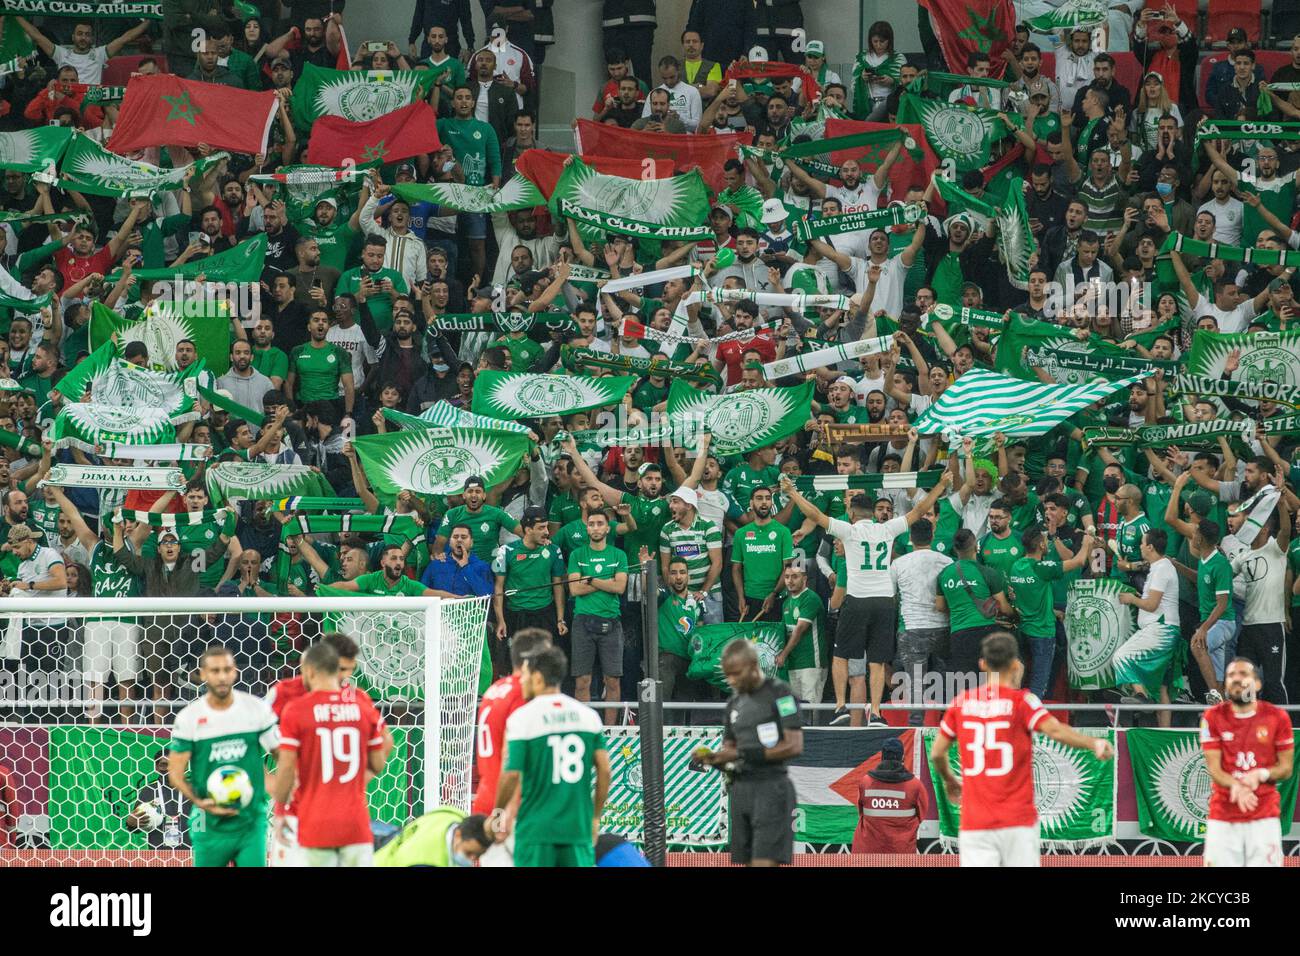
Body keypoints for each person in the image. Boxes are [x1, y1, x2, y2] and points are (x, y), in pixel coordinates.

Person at [781, 470, 952, 727]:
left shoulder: (848, 530)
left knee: (841, 657)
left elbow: (815, 516)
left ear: (851, 512)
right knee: (877, 660)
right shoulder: (887, 529)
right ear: (872, 513)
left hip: (858, 598)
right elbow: (918, 512)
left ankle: (840, 706)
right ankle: (875, 712)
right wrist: (940, 486)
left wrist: (792, 493)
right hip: (884, 600)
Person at [929, 632, 1115, 867]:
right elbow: (1056, 730)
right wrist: (1093, 743)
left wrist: (949, 780)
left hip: (976, 822)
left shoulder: (961, 703)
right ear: (1016, 664)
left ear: (983, 664)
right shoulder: (1023, 702)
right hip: (1017, 820)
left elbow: (937, 753)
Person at [489, 645, 611, 868]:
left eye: (525, 675)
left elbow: (511, 774)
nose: (522, 681)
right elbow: (604, 770)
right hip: (577, 829)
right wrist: (594, 817)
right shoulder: (588, 716)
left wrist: (497, 813)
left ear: (537, 677)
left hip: (536, 831)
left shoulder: (523, 718)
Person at [272, 641, 388, 867]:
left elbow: (286, 767)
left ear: (310, 669)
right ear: (337, 669)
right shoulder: (362, 705)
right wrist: (354, 783)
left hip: (314, 823)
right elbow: (379, 760)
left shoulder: (296, 710)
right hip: (356, 824)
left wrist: (280, 811)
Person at [693, 639, 803, 867]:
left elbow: (794, 745)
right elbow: (730, 752)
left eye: (736, 673)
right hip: (741, 789)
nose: (731, 680)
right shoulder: (734, 704)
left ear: (753, 665)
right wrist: (713, 759)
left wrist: (746, 753)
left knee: (763, 863)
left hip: (771, 788)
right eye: (727, 675)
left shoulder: (780, 693)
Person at [168, 645, 279, 868]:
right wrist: (200, 802)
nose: (221, 676)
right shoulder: (188, 718)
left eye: (227, 669)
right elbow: (175, 774)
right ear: (202, 674)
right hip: (209, 824)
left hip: (251, 822)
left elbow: (283, 756)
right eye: (214, 670)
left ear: (235, 671)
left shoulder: (256, 710)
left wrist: (281, 791)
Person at [1200, 657, 1294, 867]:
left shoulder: (1277, 717)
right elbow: (1214, 769)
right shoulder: (1212, 717)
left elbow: (1286, 768)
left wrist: (1260, 775)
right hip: (1223, 815)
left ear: (1257, 683)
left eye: (1243, 674)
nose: (1236, 679)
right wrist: (1238, 785)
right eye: (1231, 675)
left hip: (1264, 815)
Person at [473, 626, 552, 866]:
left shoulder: (495, 690)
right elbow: (512, 759)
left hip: (488, 798)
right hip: (512, 808)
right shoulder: (522, 695)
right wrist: (505, 813)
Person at [566, 510, 629, 721]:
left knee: (613, 681)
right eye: (591, 524)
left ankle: (612, 731)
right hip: (582, 622)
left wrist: (591, 580)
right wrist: (606, 582)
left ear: (607, 528)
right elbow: (574, 590)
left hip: (611, 621)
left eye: (599, 523)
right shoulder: (577, 555)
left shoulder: (618, 555)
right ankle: (584, 728)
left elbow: (620, 587)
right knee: (582, 681)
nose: (595, 527)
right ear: (587, 528)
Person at [851, 737, 927, 854]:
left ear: (882, 757)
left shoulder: (866, 782)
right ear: (902, 757)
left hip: (867, 853)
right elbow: (922, 815)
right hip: (900, 853)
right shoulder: (915, 786)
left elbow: (861, 811)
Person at [375, 807, 493, 866]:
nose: (472, 859)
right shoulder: (425, 861)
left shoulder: (453, 815)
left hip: (390, 841)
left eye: (477, 856)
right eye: (468, 853)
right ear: (458, 834)